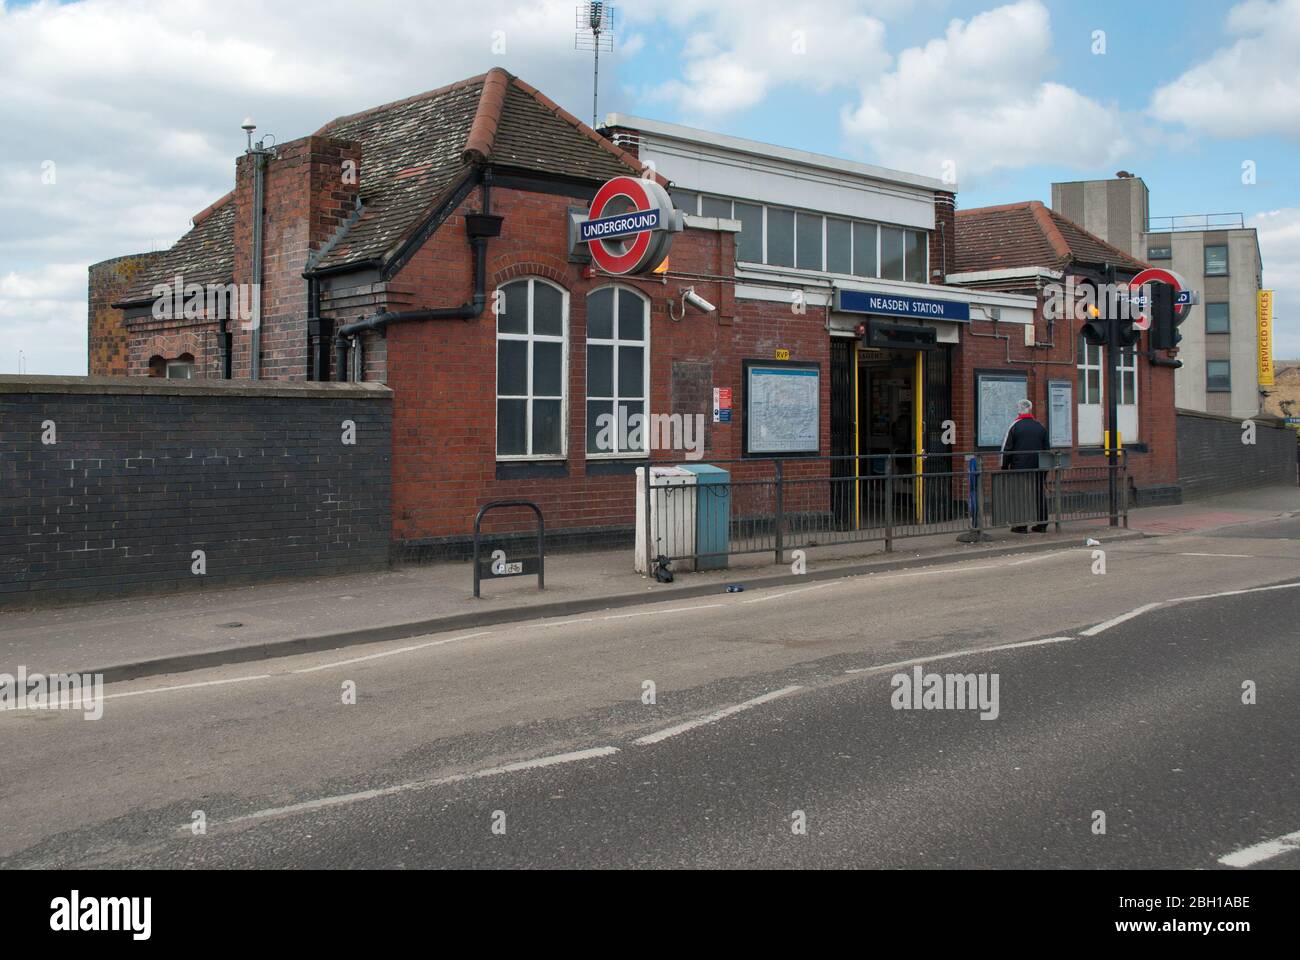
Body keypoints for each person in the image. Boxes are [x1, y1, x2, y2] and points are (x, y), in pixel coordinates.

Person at [1000, 399, 1050, 533]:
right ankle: (1042, 524)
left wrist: (1004, 467)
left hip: (1020, 467)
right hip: (1039, 466)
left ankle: (1021, 526)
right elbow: (1047, 449)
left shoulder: (1014, 426)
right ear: (1031, 409)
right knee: (1039, 494)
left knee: (1020, 495)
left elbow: (1006, 449)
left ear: (1018, 410)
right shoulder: (1040, 427)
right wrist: (1045, 470)